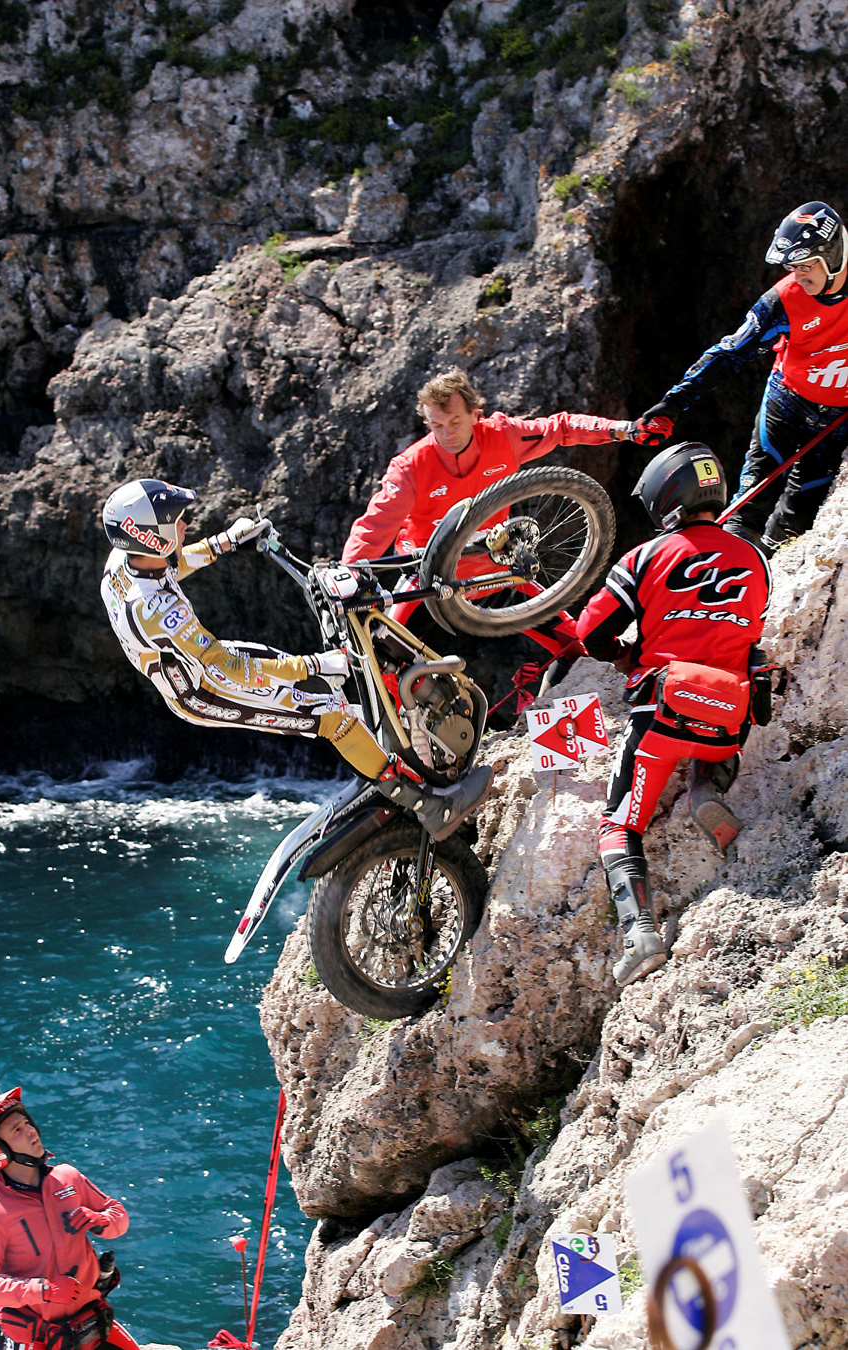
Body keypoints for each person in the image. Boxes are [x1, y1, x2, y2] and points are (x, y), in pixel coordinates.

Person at [100, 479, 491, 840]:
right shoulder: (158, 610)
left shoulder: (124, 562)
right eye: (177, 522)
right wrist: (315, 663)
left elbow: (171, 566)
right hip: (206, 691)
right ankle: (428, 806)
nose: (185, 526)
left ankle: (391, 759)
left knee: (318, 688)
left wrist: (226, 541)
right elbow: (227, 668)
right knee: (331, 715)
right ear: (150, 536)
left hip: (198, 666)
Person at [575, 442, 771, 986]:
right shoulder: (753, 557)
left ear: (666, 495)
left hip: (659, 717)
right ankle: (707, 788)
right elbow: (750, 632)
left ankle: (641, 935)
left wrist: (625, 654)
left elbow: (589, 632)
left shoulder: (644, 557)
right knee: (725, 721)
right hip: (726, 718)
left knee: (619, 826)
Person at [635, 200, 848, 555]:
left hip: (837, 423)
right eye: (792, 267)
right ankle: (726, 574)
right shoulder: (783, 300)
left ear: (833, 255)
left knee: (799, 515)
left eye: (805, 265)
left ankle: (772, 582)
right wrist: (675, 402)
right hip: (787, 405)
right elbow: (730, 352)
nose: (797, 274)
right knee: (747, 505)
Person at [341, 365, 638, 574]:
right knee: (386, 649)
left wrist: (621, 429)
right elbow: (375, 527)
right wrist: (347, 575)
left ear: (475, 413)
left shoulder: (504, 436)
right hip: (427, 571)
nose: (447, 434)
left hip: (492, 562)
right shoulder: (409, 468)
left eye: (455, 422)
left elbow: (560, 428)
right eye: (437, 426)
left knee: (567, 636)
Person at [0, 1086, 137, 1350]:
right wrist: (43, 1290)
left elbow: (118, 1215)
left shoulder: (67, 1177)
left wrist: (100, 1220)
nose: (30, 1129)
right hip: (39, 1340)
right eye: (16, 1130)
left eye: (27, 1122)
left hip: (93, 1324)